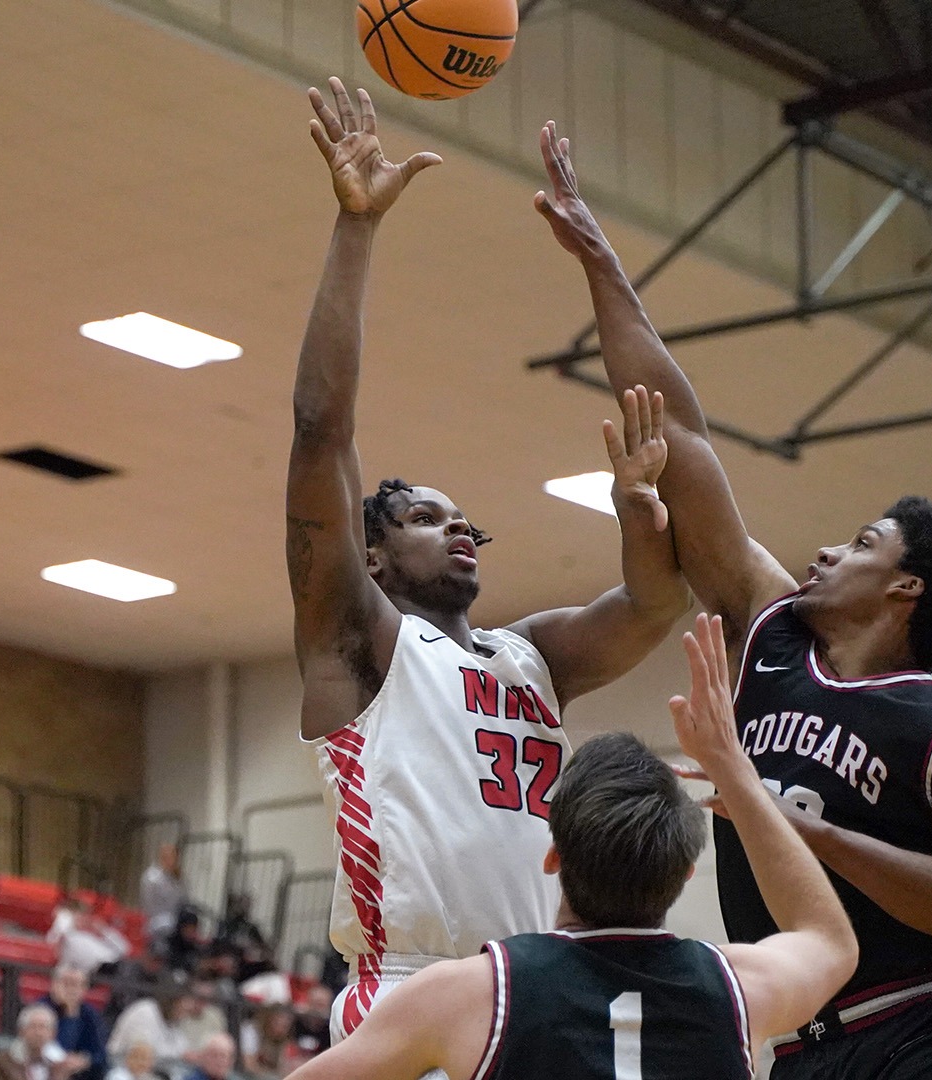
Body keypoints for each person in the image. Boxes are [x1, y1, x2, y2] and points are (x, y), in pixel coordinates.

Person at [536, 123, 932, 1077]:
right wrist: (600, 260)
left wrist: (809, 833)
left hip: (928, 1034)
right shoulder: (770, 625)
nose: (826, 550)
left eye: (862, 543)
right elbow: (678, 428)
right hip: (799, 1052)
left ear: (905, 587)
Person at [285, 77, 690, 1041]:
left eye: (466, 519)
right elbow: (318, 432)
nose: (459, 527)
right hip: (410, 989)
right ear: (373, 557)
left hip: (536, 990)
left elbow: (655, 598)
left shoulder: (530, 658)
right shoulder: (358, 643)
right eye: (426, 516)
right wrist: (356, 230)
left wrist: (638, 508)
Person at [282, 617, 856, 1080]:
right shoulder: (738, 986)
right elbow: (829, 939)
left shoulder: (474, 992)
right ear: (685, 874)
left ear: (553, 855)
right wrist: (736, 774)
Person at [35, 969, 103, 1080]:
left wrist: (85, 1060)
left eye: (77, 985)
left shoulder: (89, 1014)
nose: (71, 990)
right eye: (67, 983)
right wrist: (69, 1015)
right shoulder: (41, 1008)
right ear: (54, 984)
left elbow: (100, 1054)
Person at [0, 1005, 80, 1080]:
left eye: (43, 1027)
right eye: (33, 1027)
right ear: (21, 1031)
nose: (38, 1033)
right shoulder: (2, 1062)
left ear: (53, 1034)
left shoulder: (59, 1064)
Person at [44, 906, 127, 980]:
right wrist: (62, 922)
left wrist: (104, 931)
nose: (81, 919)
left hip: (119, 963)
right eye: (76, 916)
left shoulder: (95, 933)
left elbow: (124, 948)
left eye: (83, 916)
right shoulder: (68, 938)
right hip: (98, 971)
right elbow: (53, 941)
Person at [137, 847, 182, 958]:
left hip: (174, 919)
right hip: (156, 921)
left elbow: (181, 900)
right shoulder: (152, 877)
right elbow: (148, 903)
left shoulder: (175, 878)